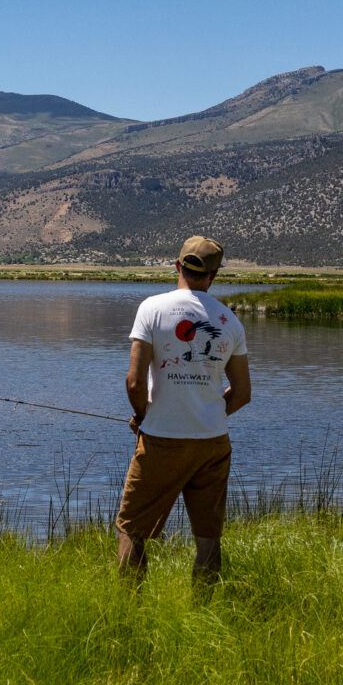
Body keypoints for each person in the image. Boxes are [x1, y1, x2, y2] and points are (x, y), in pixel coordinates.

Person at [116, 236, 252, 584]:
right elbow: (243, 393)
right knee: (208, 537)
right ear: (214, 275)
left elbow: (134, 382)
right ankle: (204, 613)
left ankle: (127, 612)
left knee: (132, 528)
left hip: (161, 439)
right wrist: (210, 412)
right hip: (213, 442)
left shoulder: (152, 308)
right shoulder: (230, 321)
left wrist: (145, 416)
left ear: (177, 266)